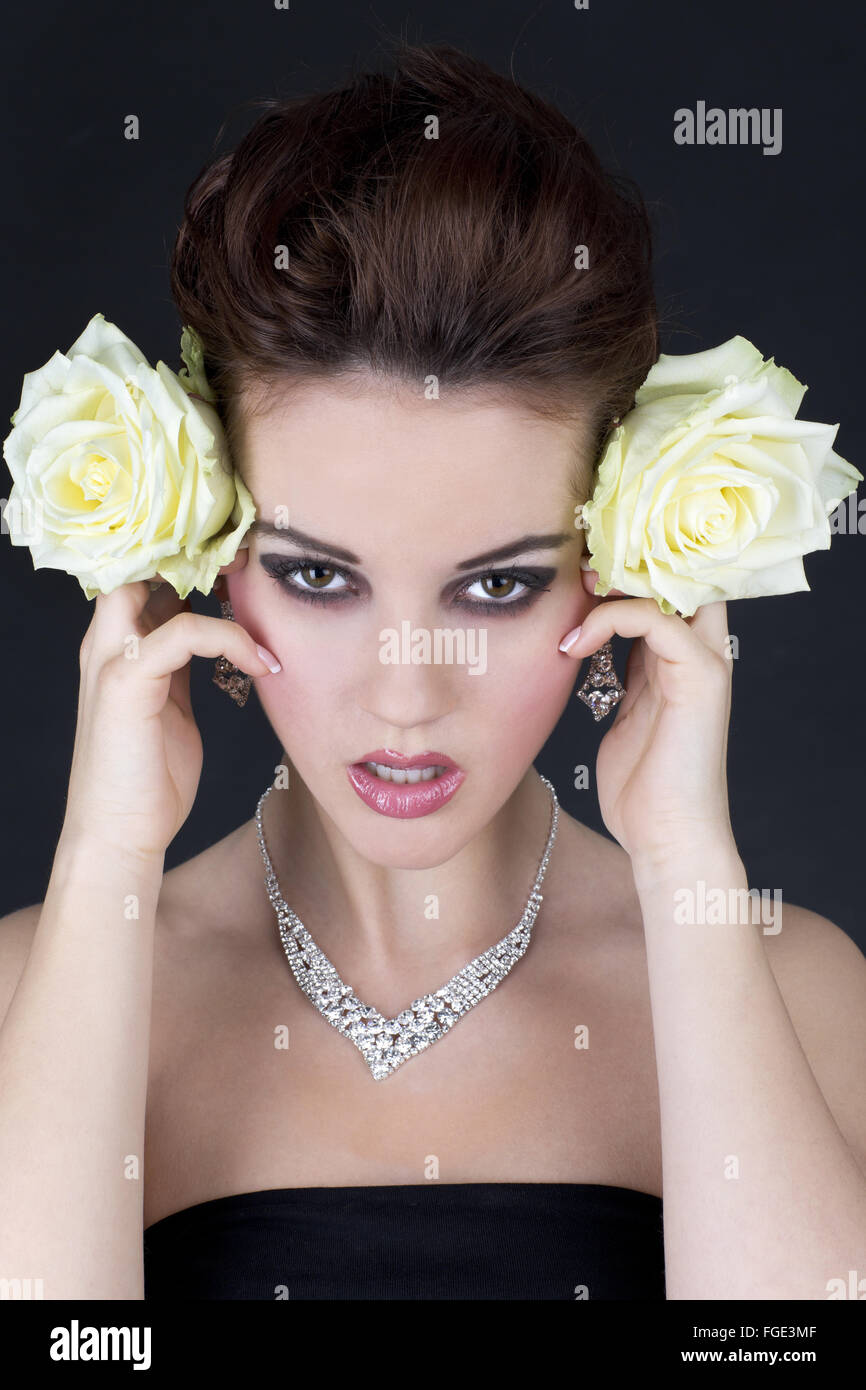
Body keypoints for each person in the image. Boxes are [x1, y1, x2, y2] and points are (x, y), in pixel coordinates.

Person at [1, 41, 864, 1303]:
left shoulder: (792, 986)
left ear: (612, 567)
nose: (405, 694)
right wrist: (105, 866)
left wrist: (688, 879)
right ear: (209, 559)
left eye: (497, 584)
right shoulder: (43, 984)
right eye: (318, 576)